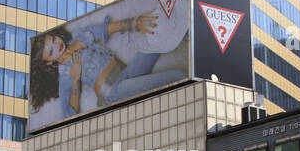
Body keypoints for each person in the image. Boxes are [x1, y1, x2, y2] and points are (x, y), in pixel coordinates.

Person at [29, 9, 187, 119]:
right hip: (114, 93)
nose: (57, 46)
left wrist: (136, 23)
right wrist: (76, 79)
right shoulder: (65, 75)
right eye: (51, 51)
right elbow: (68, 115)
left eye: (54, 40)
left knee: (158, 34)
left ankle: (193, 30)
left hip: (127, 73)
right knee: (178, 77)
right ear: (49, 62)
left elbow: (103, 29)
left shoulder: (78, 36)